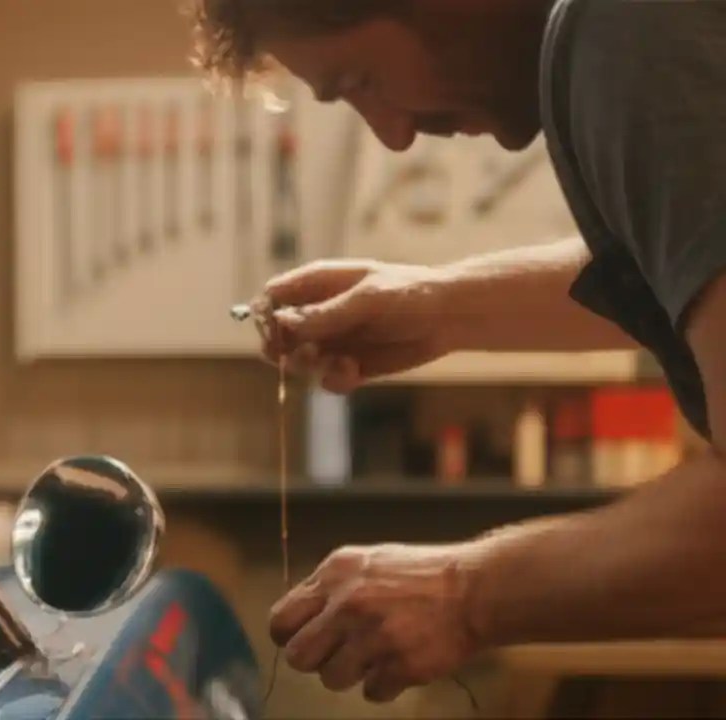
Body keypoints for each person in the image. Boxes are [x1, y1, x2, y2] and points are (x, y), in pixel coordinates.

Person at [187, 0, 726, 705]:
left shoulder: (622, 31)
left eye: (360, 80)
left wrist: (464, 594)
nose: (395, 136)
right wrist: (442, 305)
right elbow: (687, 255)